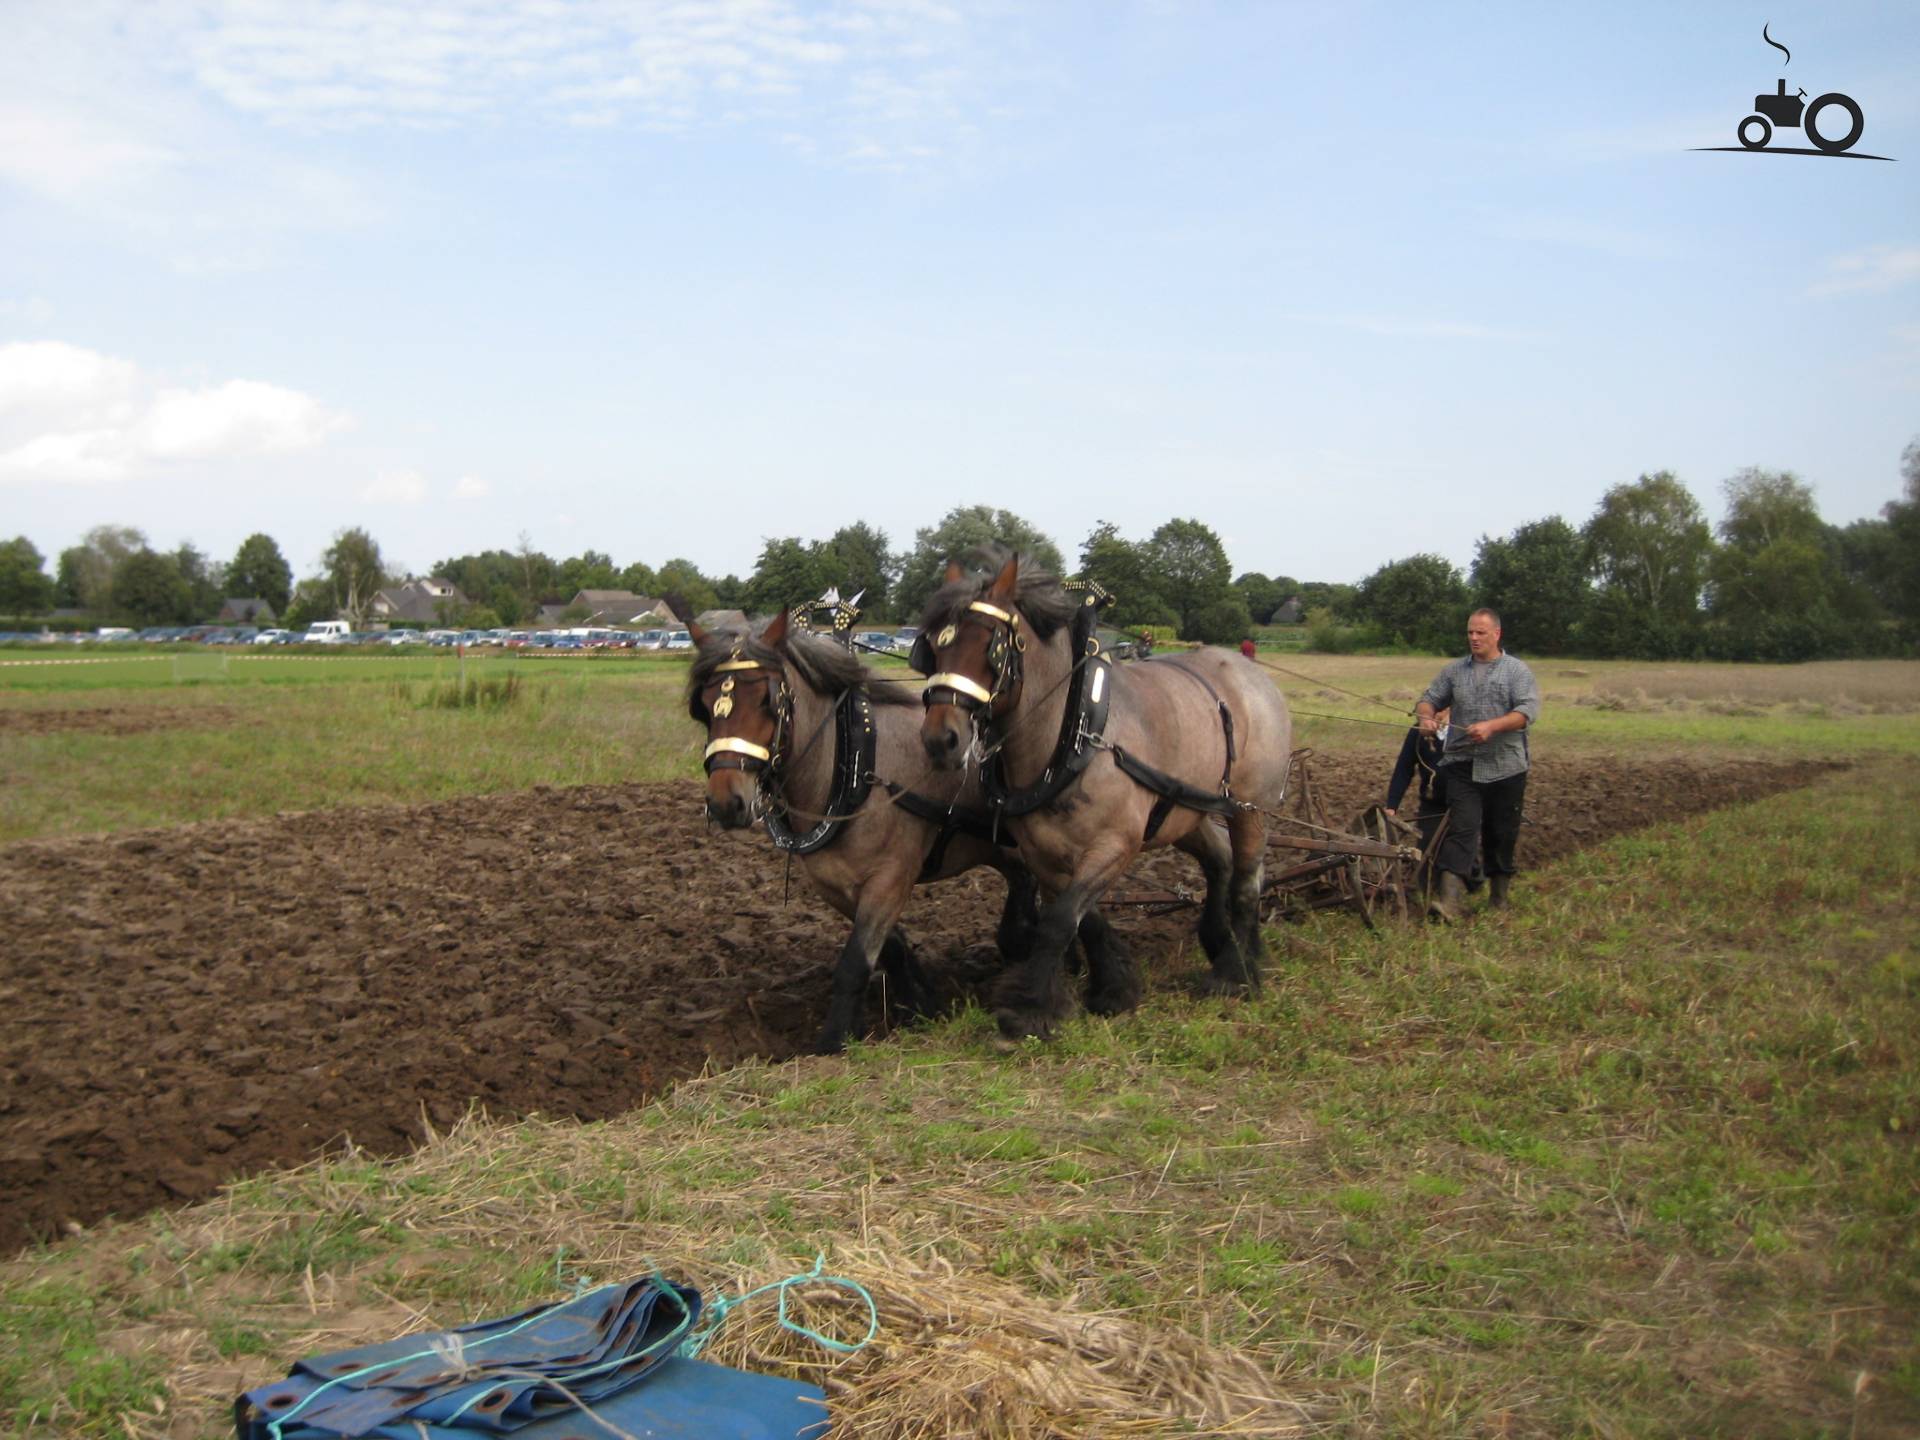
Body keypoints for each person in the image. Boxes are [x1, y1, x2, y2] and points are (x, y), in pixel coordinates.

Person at [1415, 608, 1540, 920]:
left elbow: (1526, 712)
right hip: (1461, 764)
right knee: (1462, 829)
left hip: (1506, 766)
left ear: (1496, 634)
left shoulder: (1517, 672)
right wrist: (1426, 716)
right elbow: (1428, 697)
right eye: (1470, 632)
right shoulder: (1454, 671)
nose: (1473, 638)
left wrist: (1492, 726)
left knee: (1501, 832)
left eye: (1480, 633)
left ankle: (1499, 899)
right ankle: (1448, 902)